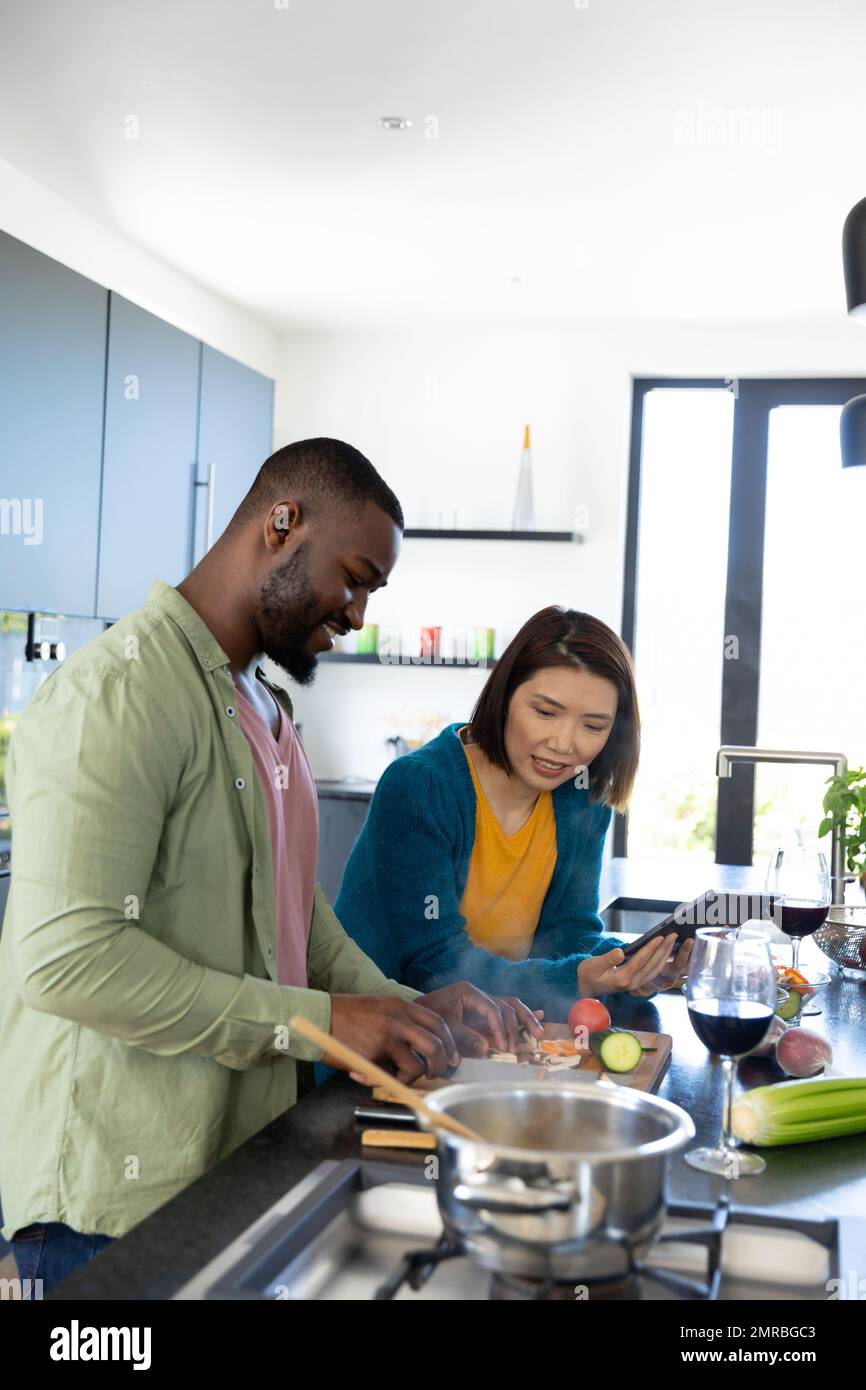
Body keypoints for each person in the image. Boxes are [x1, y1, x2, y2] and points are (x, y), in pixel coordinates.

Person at [0, 437, 541, 1293]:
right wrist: (322, 1020)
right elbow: (70, 961)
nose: (358, 612)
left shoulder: (264, 707)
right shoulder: (121, 694)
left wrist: (403, 1009)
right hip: (107, 1214)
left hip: (231, 1174)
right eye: (354, 577)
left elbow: (298, 916)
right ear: (281, 524)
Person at [336, 605, 693, 1019]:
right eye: (545, 712)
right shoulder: (421, 786)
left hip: (497, 1027)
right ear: (504, 696)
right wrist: (578, 978)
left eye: (593, 727)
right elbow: (433, 966)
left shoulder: (582, 797)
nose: (564, 743)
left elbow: (569, 938)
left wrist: (633, 967)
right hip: (383, 1038)